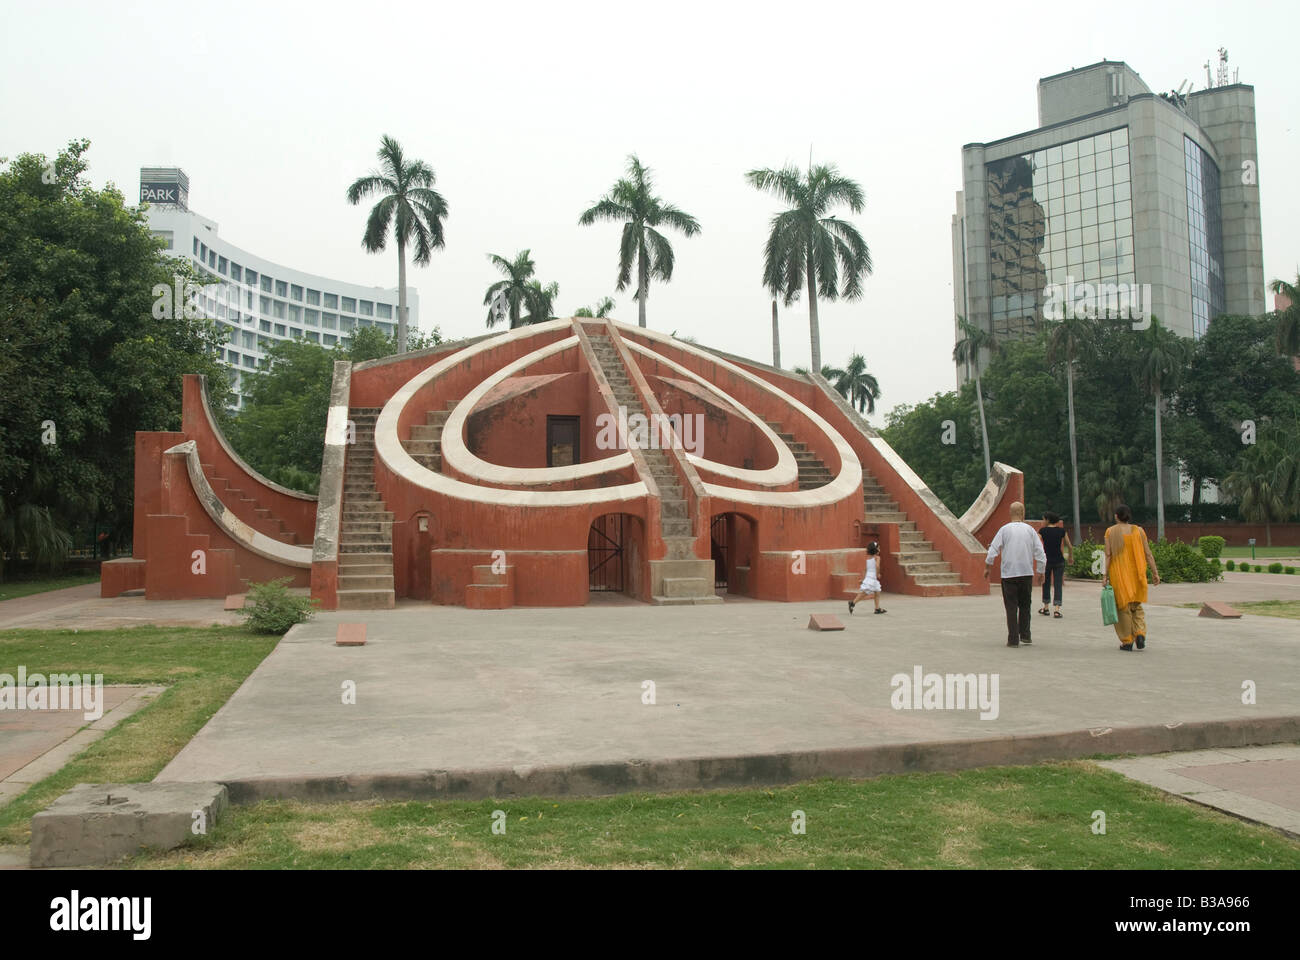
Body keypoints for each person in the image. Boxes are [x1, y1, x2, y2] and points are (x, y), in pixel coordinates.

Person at [984, 501, 1046, 647]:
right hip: (1026, 573)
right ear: (1023, 513)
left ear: (1010, 513)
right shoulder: (1030, 530)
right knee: (1025, 604)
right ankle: (1025, 634)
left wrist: (987, 567)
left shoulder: (1004, 530)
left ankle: (1013, 639)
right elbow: (1040, 552)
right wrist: (1041, 571)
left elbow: (993, 549)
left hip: (1008, 574)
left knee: (1011, 606)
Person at [1102, 504, 1161, 651]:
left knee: (1123, 608)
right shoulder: (1139, 531)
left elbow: (1108, 555)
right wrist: (1155, 573)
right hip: (1137, 574)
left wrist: (1105, 576)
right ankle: (1140, 632)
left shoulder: (1110, 532)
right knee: (1137, 606)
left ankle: (1127, 640)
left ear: (1116, 516)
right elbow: (1148, 554)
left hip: (1120, 575)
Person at [1038, 512, 1073, 618]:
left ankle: (1046, 607)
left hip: (1047, 561)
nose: (1042, 522)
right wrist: (1070, 557)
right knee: (1058, 584)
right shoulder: (1062, 531)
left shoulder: (1042, 531)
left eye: (1043, 519)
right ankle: (1057, 610)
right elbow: (1070, 546)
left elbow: (1036, 544)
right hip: (1059, 561)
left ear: (1048, 520)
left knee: (1046, 583)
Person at [849, 542, 887, 615]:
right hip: (872, 577)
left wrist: (863, 579)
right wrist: (877, 574)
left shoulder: (868, 558)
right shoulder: (877, 558)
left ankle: (877, 608)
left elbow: (866, 569)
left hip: (869, 576)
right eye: (879, 548)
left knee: (877, 591)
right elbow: (877, 566)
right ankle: (852, 603)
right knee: (865, 592)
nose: (880, 550)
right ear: (876, 550)